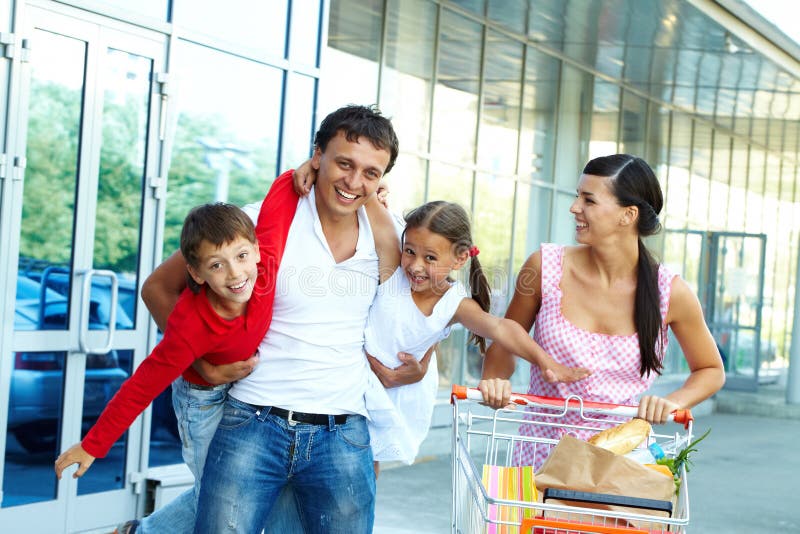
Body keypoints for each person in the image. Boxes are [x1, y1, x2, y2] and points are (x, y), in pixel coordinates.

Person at [142, 104, 399, 534]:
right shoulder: (261, 219)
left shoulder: (388, 236)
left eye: (371, 173)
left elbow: (424, 306)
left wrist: (423, 359)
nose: (354, 182)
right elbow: (158, 289)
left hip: (343, 432)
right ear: (317, 156)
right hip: (253, 421)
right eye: (343, 163)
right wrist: (199, 362)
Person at [290, 172, 591, 467]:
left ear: (460, 259)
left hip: (399, 394)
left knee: (370, 461)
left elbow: (502, 328)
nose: (416, 266)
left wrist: (547, 363)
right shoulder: (393, 268)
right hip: (356, 380)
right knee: (351, 457)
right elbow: (363, 191)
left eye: (430, 258)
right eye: (410, 251)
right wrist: (315, 166)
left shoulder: (454, 303)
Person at [54, 189, 298, 534]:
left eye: (242, 256)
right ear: (197, 275)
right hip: (201, 401)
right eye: (217, 265)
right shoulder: (190, 327)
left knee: (231, 491)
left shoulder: (265, 268)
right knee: (219, 493)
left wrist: (302, 171)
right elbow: (140, 387)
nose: (235, 273)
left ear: (256, 251)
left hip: (247, 393)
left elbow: (276, 210)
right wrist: (93, 444)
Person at [479, 154, 726, 468]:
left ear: (627, 215)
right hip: (540, 458)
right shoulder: (544, 267)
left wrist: (670, 403)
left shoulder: (671, 292)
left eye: (589, 200)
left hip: (621, 468)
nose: (575, 208)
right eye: (577, 197)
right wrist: (494, 379)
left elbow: (711, 369)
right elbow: (505, 343)